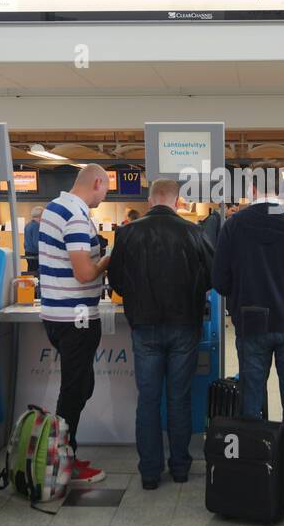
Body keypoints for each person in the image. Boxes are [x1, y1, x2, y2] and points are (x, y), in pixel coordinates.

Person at [212, 163, 284, 500]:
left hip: (252, 325)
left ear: (251, 191)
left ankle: (255, 477)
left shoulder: (234, 226)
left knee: (251, 402)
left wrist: (241, 296)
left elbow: (219, 281)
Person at [109, 179, 213, 489]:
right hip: (184, 326)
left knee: (148, 400)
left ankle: (150, 473)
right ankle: (180, 467)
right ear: (177, 200)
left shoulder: (127, 233)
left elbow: (115, 279)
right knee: (179, 399)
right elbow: (211, 276)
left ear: (150, 199)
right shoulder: (195, 233)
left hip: (144, 326)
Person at [38, 165, 113, 486]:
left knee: (79, 387)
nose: (104, 195)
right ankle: (63, 464)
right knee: (73, 391)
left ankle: (64, 455)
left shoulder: (55, 208)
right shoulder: (76, 217)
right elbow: (84, 273)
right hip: (76, 318)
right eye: (106, 189)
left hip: (57, 315)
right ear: (97, 182)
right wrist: (112, 256)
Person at [23, 205, 43, 275]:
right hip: (35, 253)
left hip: (28, 252)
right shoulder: (36, 226)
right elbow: (36, 243)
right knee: (36, 274)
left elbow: (25, 242)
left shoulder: (28, 225)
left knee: (30, 271)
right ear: (41, 215)